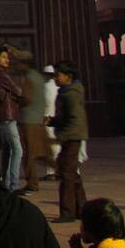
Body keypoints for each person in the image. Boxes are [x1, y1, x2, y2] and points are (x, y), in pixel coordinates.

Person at [47, 59, 88, 223]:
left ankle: (68, 212)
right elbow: (66, 117)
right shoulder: (66, 91)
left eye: (58, 75)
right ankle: (82, 209)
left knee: (67, 174)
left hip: (72, 137)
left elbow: (75, 118)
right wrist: (53, 121)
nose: (55, 78)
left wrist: (64, 134)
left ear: (68, 76)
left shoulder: (71, 94)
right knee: (71, 173)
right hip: (71, 135)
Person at [0, 45, 26, 190]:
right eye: (3, 57)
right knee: (17, 149)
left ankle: (5, 182)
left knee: (8, 150)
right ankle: (13, 184)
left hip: (2, 115)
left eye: (7, 57)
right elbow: (18, 91)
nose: (7, 60)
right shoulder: (2, 75)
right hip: (7, 116)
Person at [17, 61, 51, 195]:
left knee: (30, 154)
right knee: (44, 152)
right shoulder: (40, 81)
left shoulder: (29, 79)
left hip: (29, 121)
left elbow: (26, 99)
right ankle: (64, 172)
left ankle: (32, 184)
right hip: (39, 119)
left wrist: (16, 99)